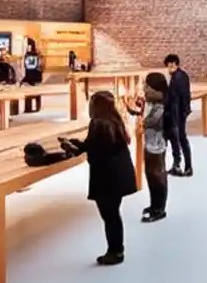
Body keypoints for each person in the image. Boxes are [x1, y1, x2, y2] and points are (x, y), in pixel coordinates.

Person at [60, 91, 136, 266]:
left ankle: (115, 252)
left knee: (110, 216)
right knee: (113, 215)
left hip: (108, 178)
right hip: (119, 176)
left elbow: (95, 151)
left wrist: (72, 148)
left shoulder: (98, 123)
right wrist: (78, 144)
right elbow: (95, 145)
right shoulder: (115, 121)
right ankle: (117, 250)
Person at [126, 72, 170, 223]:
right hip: (150, 145)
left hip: (157, 147)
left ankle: (159, 209)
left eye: (148, 87)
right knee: (150, 176)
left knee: (157, 176)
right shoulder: (151, 104)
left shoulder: (161, 108)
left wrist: (141, 122)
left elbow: (149, 122)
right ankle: (154, 205)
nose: (145, 90)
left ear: (159, 91)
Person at [164, 54, 193, 177]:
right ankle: (179, 166)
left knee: (181, 139)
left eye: (172, 65)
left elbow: (177, 97)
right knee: (177, 140)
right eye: (168, 65)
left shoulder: (178, 78)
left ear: (176, 64)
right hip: (178, 113)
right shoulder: (178, 75)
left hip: (178, 114)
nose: (170, 67)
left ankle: (187, 167)